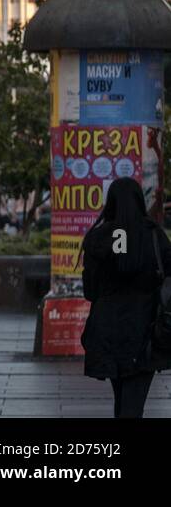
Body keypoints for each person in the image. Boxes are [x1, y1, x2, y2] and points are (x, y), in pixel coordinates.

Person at [81, 177, 171, 418]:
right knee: (132, 405)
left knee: (122, 402)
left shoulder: (97, 238)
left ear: (110, 202)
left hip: (108, 332)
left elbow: (89, 291)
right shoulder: (154, 237)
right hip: (145, 333)